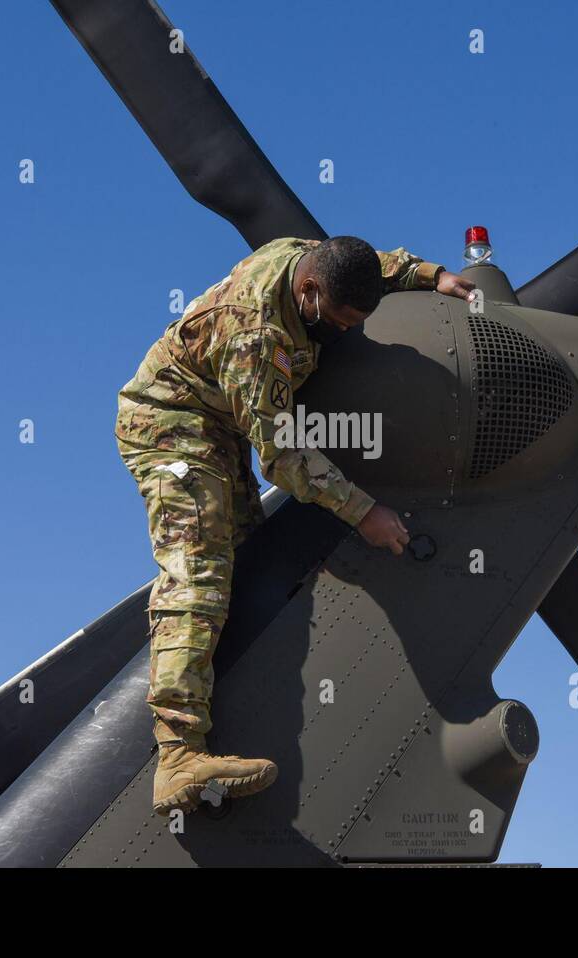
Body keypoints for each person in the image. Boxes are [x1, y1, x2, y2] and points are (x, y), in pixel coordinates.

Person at [115, 235, 477, 815]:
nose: (340, 333)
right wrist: (364, 512)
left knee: (251, 562)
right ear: (309, 291)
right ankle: (178, 755)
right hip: (170, 424)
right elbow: (281, 456)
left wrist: (427, 274)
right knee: (200, 571)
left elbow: (366, 263)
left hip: (216, 425)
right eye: (335, 321)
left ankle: (219, 717)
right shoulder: (255, 337)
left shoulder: (313, 260)